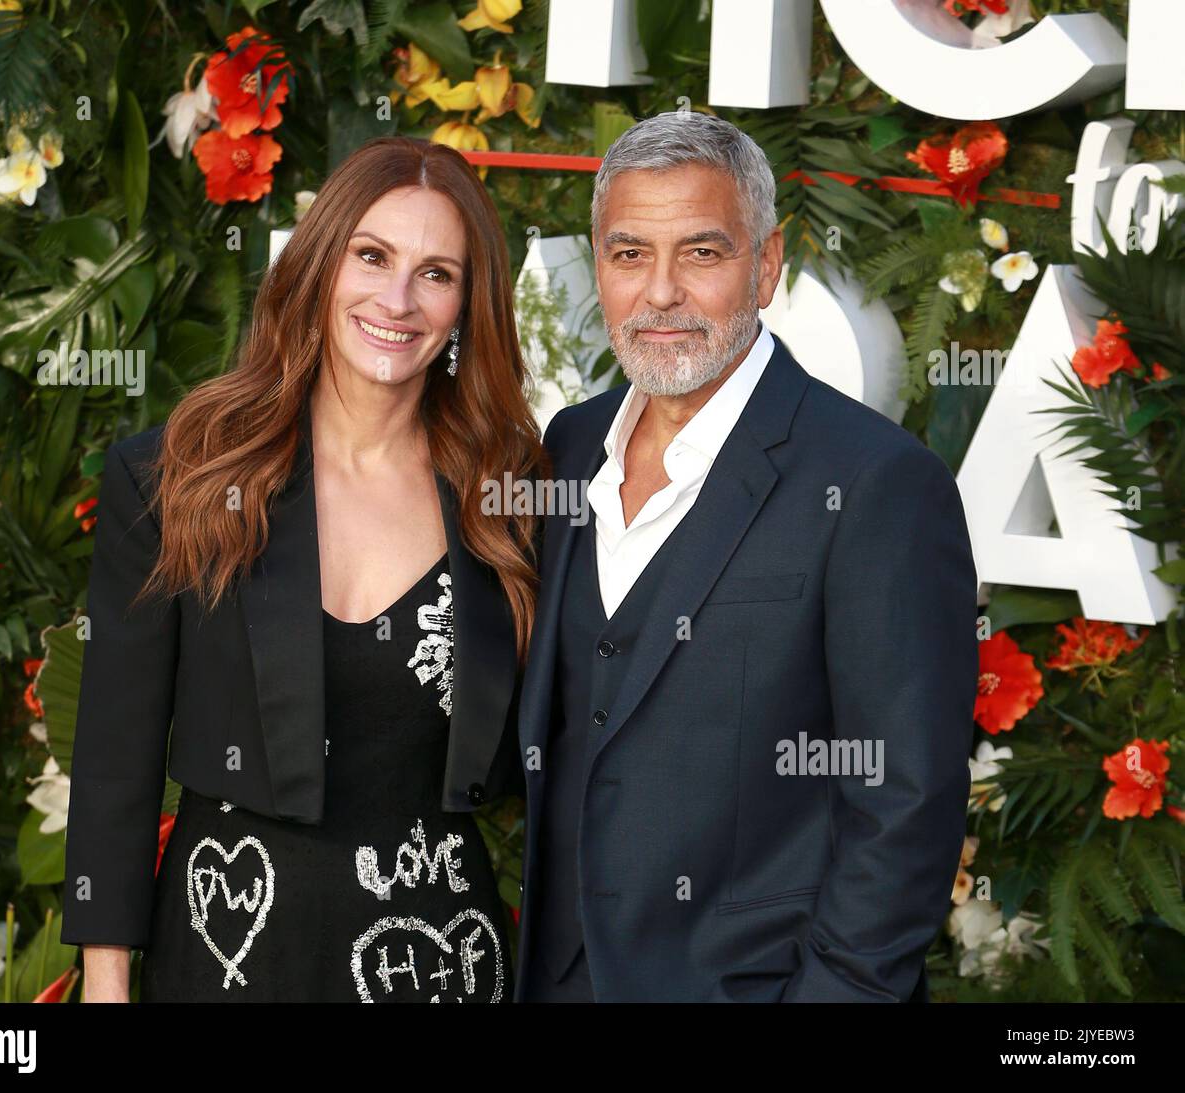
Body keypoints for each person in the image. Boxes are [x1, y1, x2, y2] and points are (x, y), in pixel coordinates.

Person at [61, 136, 546, 1002]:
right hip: (228, 952)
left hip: (434, 954)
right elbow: (114, 755)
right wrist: (105, 982)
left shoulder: (508, 494)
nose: (396, 299)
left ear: (469, 304)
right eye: (372, 255)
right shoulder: (181, 476)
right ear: (320, 266)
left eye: (436, 273)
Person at [514, 111, 978, 1002]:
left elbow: (902, 801)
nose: (659, 294)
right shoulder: (567, 450)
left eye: (701, 253)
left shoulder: (878, 483)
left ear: (765, 267)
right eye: (627, 254)